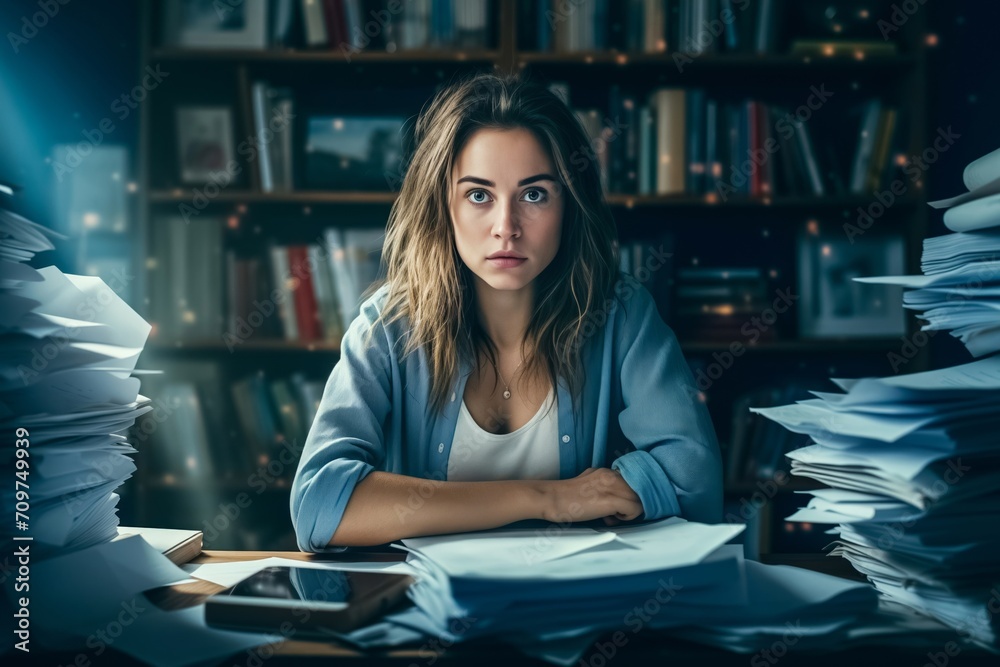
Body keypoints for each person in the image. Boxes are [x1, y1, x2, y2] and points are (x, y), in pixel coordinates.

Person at [289, 71, 722, 553]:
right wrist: (547, 499)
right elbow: (319, 506)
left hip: (572, 608)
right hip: (432, 614)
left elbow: (696, 479)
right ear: (442, 206)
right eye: (479, 195)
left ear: (569, 205)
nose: (506, 227)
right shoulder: (387, 326)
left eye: (534, 194)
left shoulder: (620, 313)